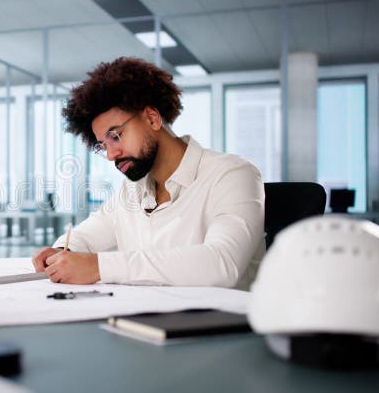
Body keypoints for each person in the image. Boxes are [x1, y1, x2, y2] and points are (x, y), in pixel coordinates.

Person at [32, 57, 264, 290]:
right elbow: (85, 236)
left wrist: (98, 267)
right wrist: (62, 252)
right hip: (141, 318)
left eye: (115, 136)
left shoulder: (232, 174)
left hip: (220, 323)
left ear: (152, 118)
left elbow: (222, 264)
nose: (111, 155)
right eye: (103, 145)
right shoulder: (132, 190)